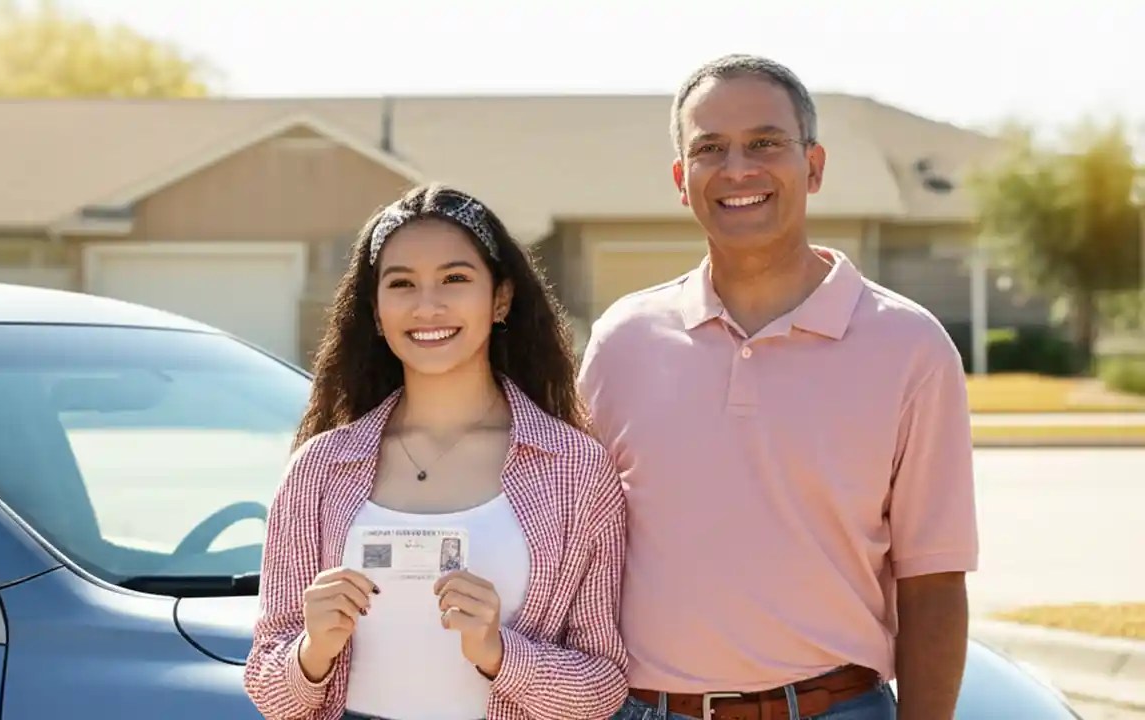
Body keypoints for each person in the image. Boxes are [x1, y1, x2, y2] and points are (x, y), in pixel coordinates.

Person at [579, 55, 978, 720]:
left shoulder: (912, 349)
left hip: (836, 708)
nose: (738, 170)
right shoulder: (621, 343)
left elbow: (933, 582)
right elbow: (573, 553)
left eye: (765, 143)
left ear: (813, 166)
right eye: (711, 148)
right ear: (683, 179)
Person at [244, 183, 629, 720]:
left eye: (455, 279)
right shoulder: (320, 469)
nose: (428, 306)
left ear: (501, 298)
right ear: (376, 313)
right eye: (402, 284)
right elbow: (269, 690)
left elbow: (603, 686)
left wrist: (501, 653)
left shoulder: (575, 469)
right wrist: (311, 652)